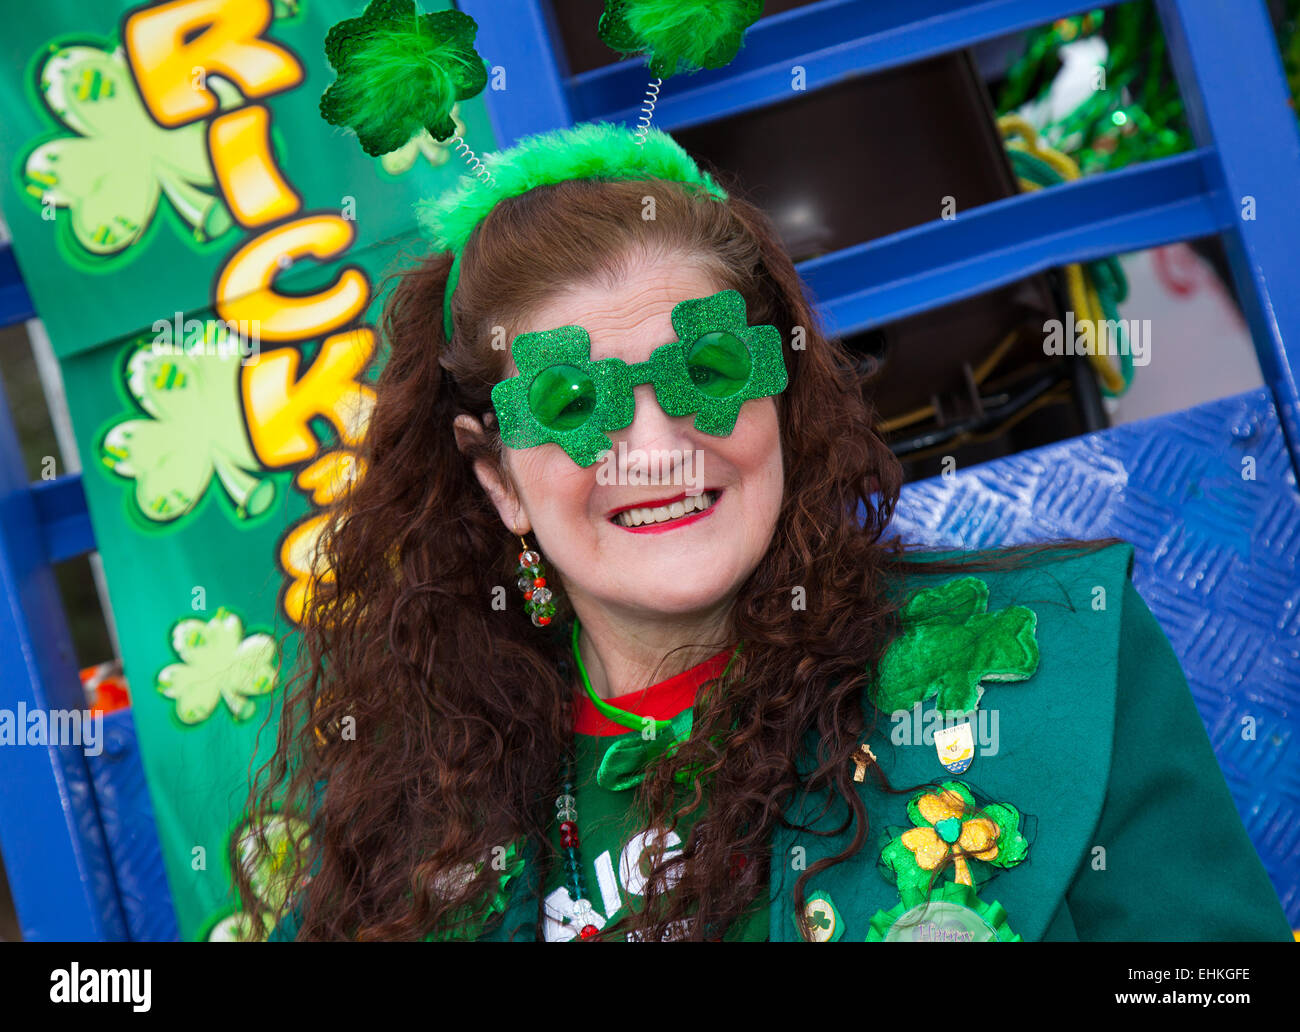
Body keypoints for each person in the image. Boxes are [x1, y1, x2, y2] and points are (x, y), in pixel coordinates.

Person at [238, 123, 1292, 942]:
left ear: (779, 396)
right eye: (571, 404)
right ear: (496, 476)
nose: (651, 448)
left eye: (704, 372)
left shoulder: (1061, 657)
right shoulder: (413, 825)